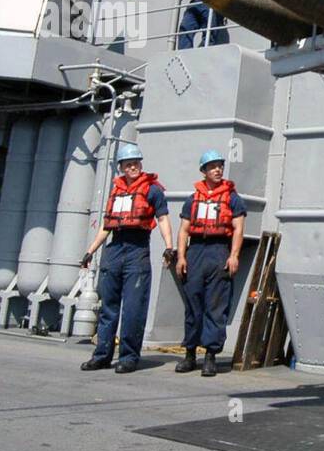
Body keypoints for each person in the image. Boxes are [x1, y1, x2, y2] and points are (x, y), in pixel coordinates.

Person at [79, 143, 176, 374]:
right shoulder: (117, 190)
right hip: (114, 250)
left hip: (137, 250)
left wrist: (169, 246)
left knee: (134, 308)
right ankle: (101, 355)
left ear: (140, 164)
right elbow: (106, 225)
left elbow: (162, 219)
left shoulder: (153, 190)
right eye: (128, 164)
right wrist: (90, 250)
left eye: (136, 163)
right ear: (121, 167)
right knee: (108, 307)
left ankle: (129, 357)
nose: (133, 167)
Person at [176, 149, 246, 377]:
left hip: (219, 250)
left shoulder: (232, 198)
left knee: (216, 305)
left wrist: (234, 255)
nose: (217, 169)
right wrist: (181, 257)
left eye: (220, 166)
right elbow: (184, 229)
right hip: (195, 250)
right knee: (193, 303)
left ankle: (210, 356)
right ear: (204, 171)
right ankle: (189, 355)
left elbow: (238, 229)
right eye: (212, 166)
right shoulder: (193, 199)